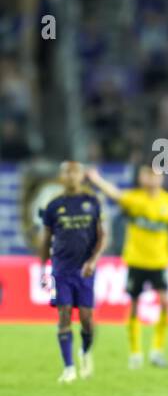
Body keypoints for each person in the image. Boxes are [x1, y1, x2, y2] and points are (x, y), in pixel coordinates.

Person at [86, 165, 168, 368]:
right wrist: (95, 179)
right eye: (147, 173)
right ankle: (136, 353)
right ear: (140, 177)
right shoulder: (134, 199)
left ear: (162, 177)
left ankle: (157, 351)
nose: (151, 178)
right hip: (136, 261)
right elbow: (114, 194)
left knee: (165, 302)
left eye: (155, 174)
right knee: (134, 306)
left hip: (159, 262)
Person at [36, 161, 107, 383]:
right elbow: (45, 238)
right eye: (67, 172)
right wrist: (42, 268)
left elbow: (102, 236)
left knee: (86, 319)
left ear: (81, 175)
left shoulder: (92, 201)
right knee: (64, 314)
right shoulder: (53, 205)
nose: (71, 176)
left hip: (85, 270)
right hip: (61, 269)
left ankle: (85, 352)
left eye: (75, 172)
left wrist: (93, 260)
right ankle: (68, 368)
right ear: (61, 176)